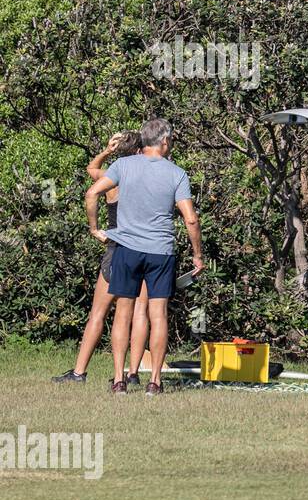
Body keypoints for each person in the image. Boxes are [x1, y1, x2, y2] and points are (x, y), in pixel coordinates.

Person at [85, 118, 204, 395]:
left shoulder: (123, 166)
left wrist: (95, 228)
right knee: (158, 315)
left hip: (126, 249)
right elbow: (191, 220)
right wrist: (197, 255)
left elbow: (92, 193)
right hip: (160, 251)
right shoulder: (177, 173)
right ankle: (155, 383)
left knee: (122, 314)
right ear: (164, 142)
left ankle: (118, 380)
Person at [52, 132, 152, 385]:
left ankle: (79, 372)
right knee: (139, 313)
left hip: (117, 251)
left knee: (98, 313)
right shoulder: (151, 179)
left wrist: (94, 229)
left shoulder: (113, 179)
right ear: (141, 152)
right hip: (146, 250)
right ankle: (132, 374)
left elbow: (91, 170)